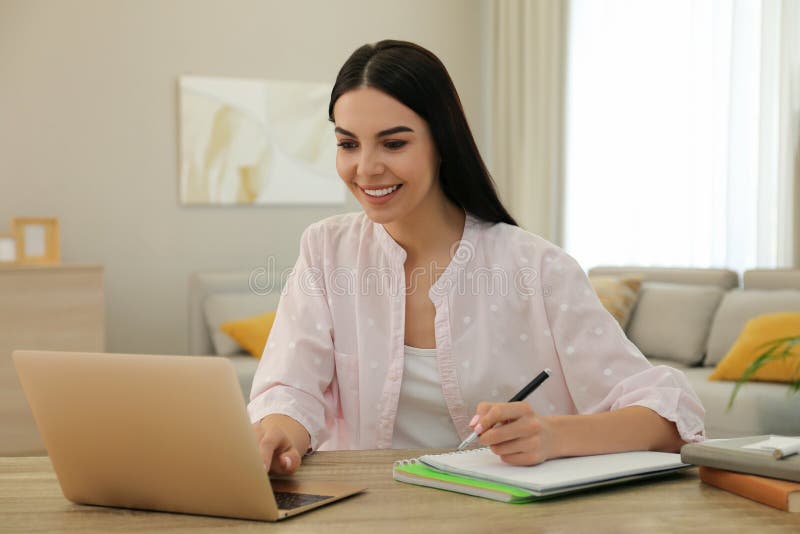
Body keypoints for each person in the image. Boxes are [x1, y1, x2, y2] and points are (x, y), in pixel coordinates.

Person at [249, 40, 705, 475]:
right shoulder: (326, 250)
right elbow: (290, 390)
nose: (365, 168)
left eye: (393, 144)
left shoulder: (537, 268)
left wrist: (551, 435)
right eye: (348, 144)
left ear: (442, 143)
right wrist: (279, 436)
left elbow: (668, 419)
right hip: (369, 509)